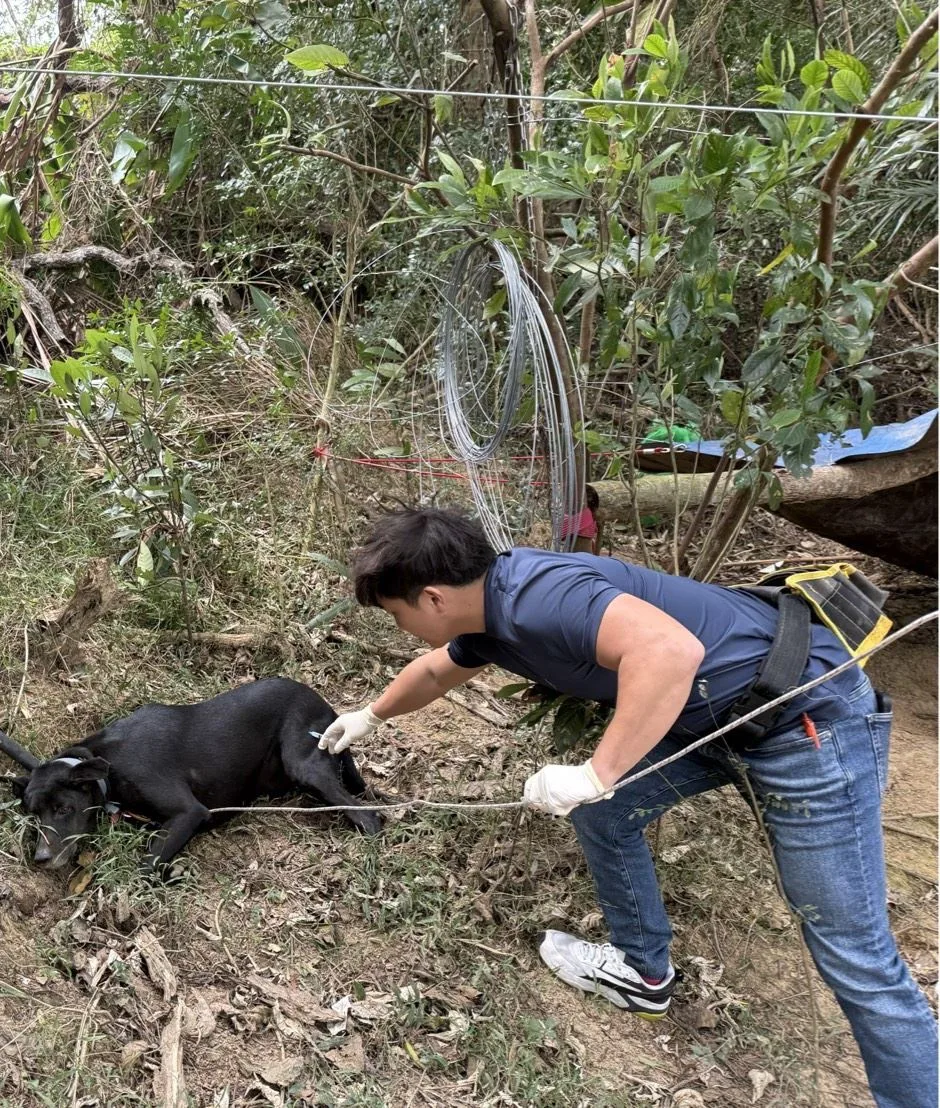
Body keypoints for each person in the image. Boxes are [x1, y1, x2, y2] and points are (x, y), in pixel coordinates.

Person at [319, 507, 937, 1108]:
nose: (402, 629)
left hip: (803, 724)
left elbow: (668, 653)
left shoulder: (541, 597)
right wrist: (370, 716)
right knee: (605, 813)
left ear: (432, 598)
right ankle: (644, 974)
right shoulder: (483, 621)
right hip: (709, 722)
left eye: (397, 615)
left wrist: (598, 771)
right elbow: (432, 672)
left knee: (854, 954)